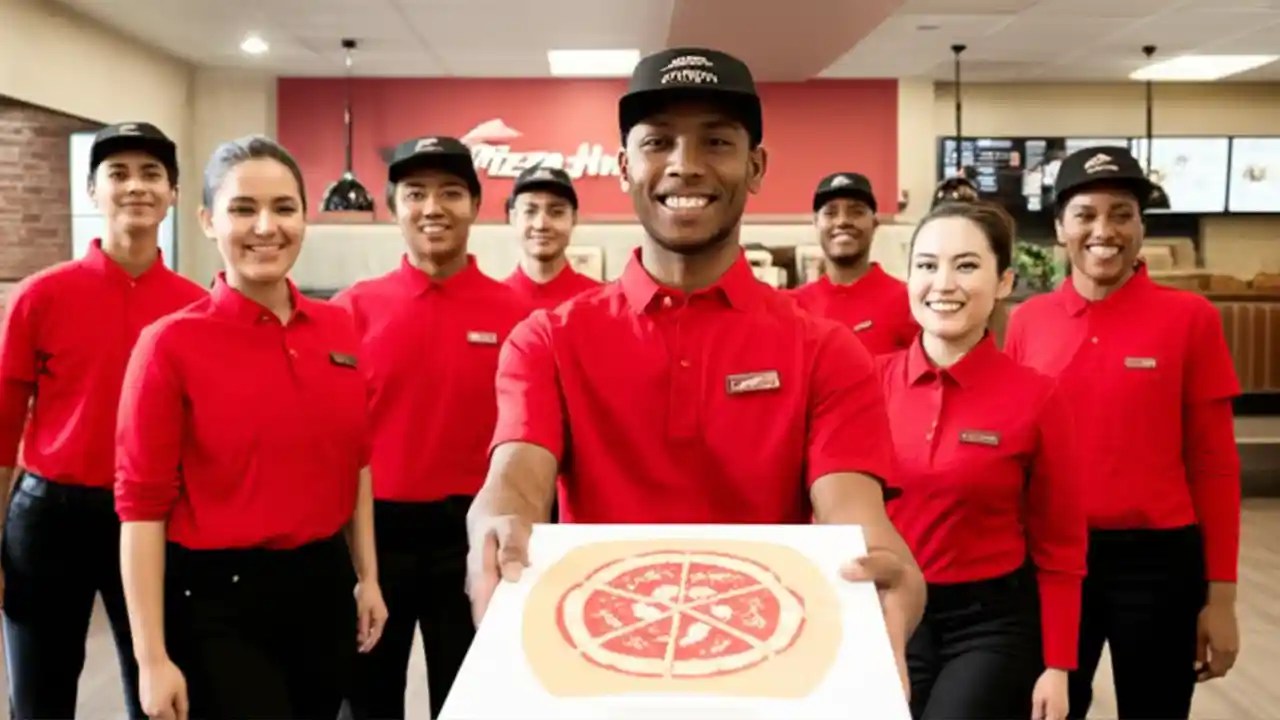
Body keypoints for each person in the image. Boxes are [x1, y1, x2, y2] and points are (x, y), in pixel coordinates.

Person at [465, 46, 926, 698]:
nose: (685, 164)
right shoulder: (547, 340)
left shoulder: (826, 351)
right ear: (624, 166)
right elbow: (516, 477)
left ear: (756, 167)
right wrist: (494, 524)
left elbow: (854, 519)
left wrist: (885, 571)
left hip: (770, 669)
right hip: (595, 668)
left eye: (716, 141)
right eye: (658, 142)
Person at [114, 135, 387, 720]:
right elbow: (140, 510)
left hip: (322, 586)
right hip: (218, 602)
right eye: (242, 209)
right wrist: (151, 657)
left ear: (305, 217)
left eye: (284, 208)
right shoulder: (169, 345)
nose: (266, 227)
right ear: (208, 221)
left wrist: (367, 577)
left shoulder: (339, 328)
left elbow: (357, 464)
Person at [1004, 146, 1241, 720]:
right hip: (1053, 560)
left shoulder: (1190, 318)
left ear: (1141, 227)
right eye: (1085, 214)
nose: (1103, 231)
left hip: (1159, 562)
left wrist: (1222, 598)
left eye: (1121, 214)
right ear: (1059, 228)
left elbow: (1214, 463)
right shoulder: (1027, 321)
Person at [0, 121, 205, 720]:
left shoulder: (195, 308)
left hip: (154, 519)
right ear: (93, 190)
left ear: (172, 193)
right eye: (118, 174)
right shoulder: (40, 297)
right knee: (39, 698)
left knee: (160, 694)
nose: (135, 186)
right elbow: (3, 431)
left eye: (151, 174)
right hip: (49, 519)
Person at [332, 135, 532, 720]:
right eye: (415, 193)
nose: (432, 208)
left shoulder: (518, 316)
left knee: (471, 702)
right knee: (368, 701)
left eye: (450, 193)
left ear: (476, 205)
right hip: (374, 538)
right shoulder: (350, 310)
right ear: (394, 207)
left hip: (472, 537)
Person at [878, 201, 1086, 720]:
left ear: (1004, 282)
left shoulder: (1037, 397)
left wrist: (1058, 665)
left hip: (989, 624)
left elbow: (1060, 542)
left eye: (966, 265)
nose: (943, 283)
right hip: (888, 615)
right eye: (927, 265)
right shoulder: (866, 383)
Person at [789, 172, 917, 355]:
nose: (842, 221)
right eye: (831, 213)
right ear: (816, 223)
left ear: (874, 223)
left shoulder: (909, 302)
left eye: (856, 212)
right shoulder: (792, 307)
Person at [502, 164, 601, 310]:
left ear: (574, 218)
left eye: (556, 212)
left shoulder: (601, 303)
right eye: (530, 211)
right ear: (513, 218)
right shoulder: (489, 304)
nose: (541, 225)